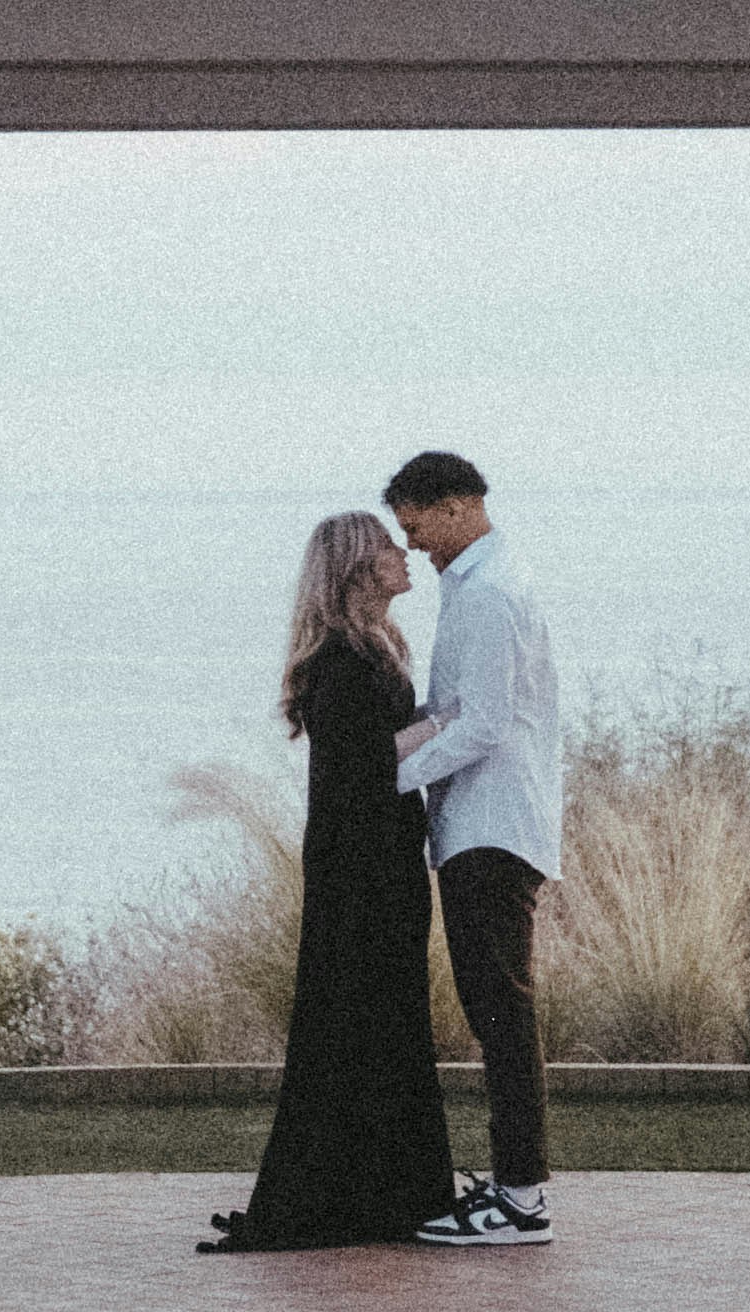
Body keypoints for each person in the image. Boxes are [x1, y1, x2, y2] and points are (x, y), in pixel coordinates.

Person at [198, 510, 464, 1253]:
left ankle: (386, 1192)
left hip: (382, 858)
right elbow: (363, 769)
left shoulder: (377, 649)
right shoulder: (341, 662)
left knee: (387, 1020)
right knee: (357, 1016)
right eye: (386, 546)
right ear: (355, 566)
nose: (402, 553)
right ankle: (352, 1195)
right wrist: (449, 725)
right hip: (357, 868)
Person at [384, 450, 561, 1248]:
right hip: (479, 827)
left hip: (491, 829)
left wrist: (396, 781)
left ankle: (522, 1200)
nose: (414, 544)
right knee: (497, 1010)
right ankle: (515, 1186)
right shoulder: (478, 587)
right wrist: (388, 748)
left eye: (416, 526)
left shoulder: (489, 594)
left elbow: (484, 723)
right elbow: (453, 704)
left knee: (501, 1012)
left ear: (456, 507)